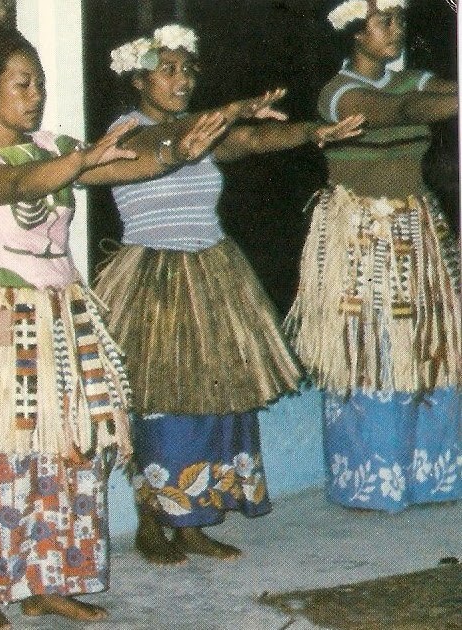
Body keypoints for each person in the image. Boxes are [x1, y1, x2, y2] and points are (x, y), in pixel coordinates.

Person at [0, 22, 238, 629]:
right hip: (5, 321)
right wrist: (81, 159)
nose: (35, 94)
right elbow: (17, 183)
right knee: (9, 455)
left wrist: (173, 153)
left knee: (71, 453)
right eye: (21, 84)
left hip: (62, 312)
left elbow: (114, 170)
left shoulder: (53, 146)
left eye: (38, 83)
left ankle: (49, 583)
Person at [95, 23, 365, 567]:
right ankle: (155, 519)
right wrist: (234, 108)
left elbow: (252, 140)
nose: (182, 79)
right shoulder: (128, 132)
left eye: (187, 70)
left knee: (218, 399)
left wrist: (316, 133)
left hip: (212, 273)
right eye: (168, 69)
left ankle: (196, 521)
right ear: (139, 78)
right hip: (153, 279)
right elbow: (166, 145)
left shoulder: (201, 129)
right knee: (162, 404)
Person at [285, 0, 460, 512]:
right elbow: (398, 112)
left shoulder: (414, 79)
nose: (397, 30)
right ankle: (371, 483)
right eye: (385, 21)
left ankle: (433, 477)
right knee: (373, 348)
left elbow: (430, 94)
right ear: (355, 33)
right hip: (362, 235)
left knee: (429, 342)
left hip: (417, 227)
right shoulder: (338, 94)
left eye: (401, 19)